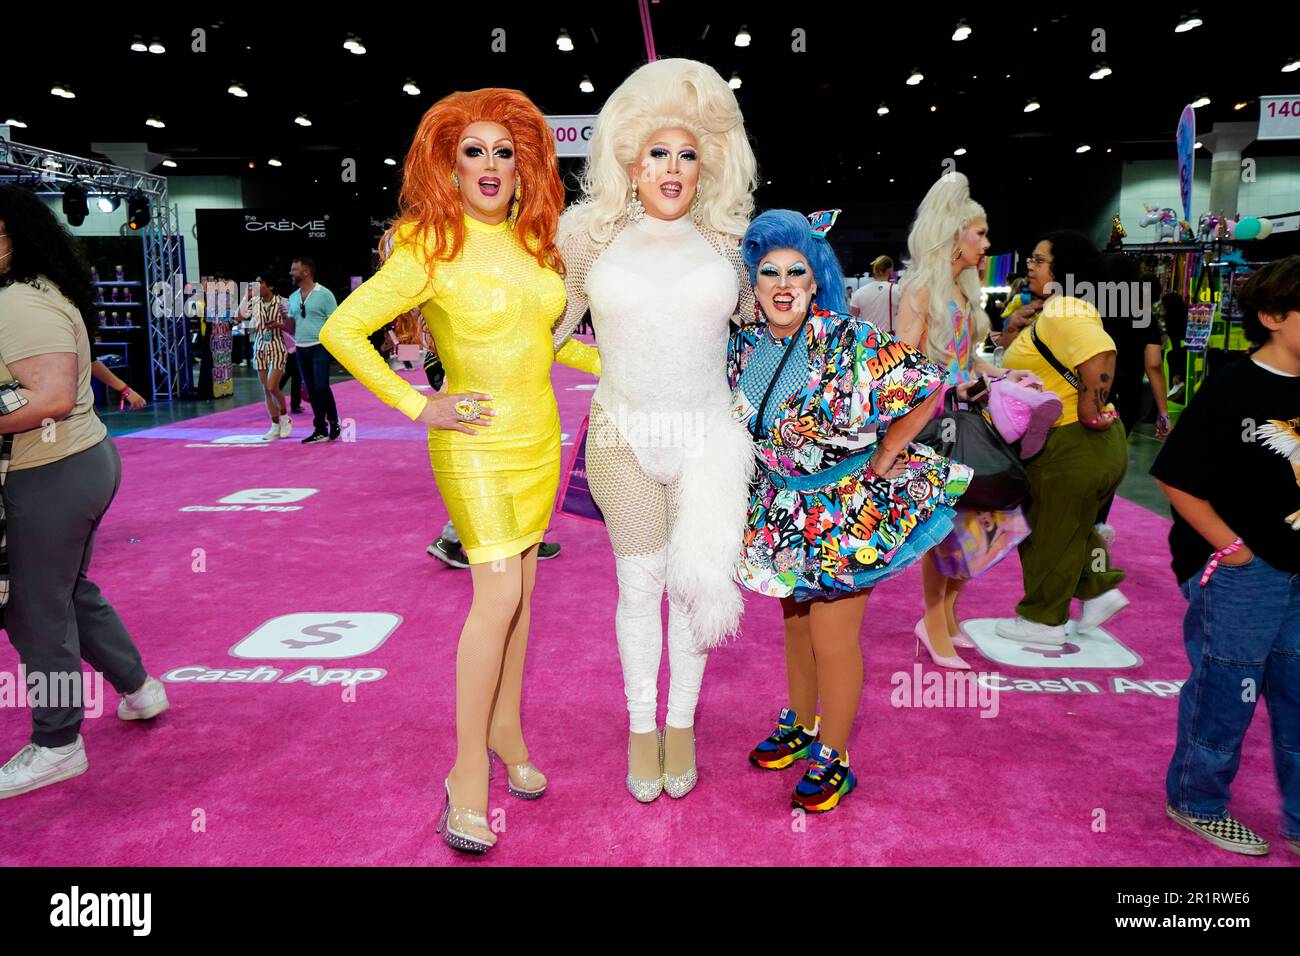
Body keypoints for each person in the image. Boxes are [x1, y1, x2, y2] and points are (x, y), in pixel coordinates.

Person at [319, 88, 598, 854]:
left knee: (524, 596)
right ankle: (465, 773)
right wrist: (419, 407)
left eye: (503, 152)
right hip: (472, 443)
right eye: (472, 151)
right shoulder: (427, 246)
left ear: (525, 166)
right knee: (497, 592)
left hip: (541, 440)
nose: (489, 165)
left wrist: (619, 366)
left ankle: (508, 729)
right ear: (447, 163)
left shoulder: (538, 246)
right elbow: (343, 329)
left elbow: (543, 342)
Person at [550, 58, 758, 803]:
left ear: (709, 166)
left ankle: (682, 724)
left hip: (708, 441)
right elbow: (543, 330)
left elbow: (776, 334)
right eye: (657, 153)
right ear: (629, 161)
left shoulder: (733, 247)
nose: (672, 168)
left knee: (695, 588)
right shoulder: (587, 239)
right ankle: (643, 726)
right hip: (621, 438)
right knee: (639, 587)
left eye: (688, 154)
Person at [731, 209, 971, 812]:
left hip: (843, 511)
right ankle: (802, 723)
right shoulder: (742, 346)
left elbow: (927, 382)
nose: (783, 285)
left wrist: (890, 449)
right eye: (769, 274)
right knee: (794, 626)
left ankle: (835, 755)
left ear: (816, 282)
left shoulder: (848, 339)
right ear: (753, 284)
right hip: (778, 509)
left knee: (833, 638)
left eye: (796, 272)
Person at [0, 185, 169, 800]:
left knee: (34, 609)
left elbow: (46, 397)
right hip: (76, 462)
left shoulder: (18, 300)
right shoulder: (38, 291)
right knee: (67, 590)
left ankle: (58, 743)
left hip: (49, 470)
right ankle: (138, 686)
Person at [1152, 255, 1300, 858]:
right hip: (1245, 571)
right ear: (1272, 317)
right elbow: (1176, 477)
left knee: (1296, 692)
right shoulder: (1233, 385)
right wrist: (1232, 549)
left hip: (1295, 568)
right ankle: (1197, 799)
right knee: (1227, 687)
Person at [896, 173, 1035, 667]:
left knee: (983, 520)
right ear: (954, 233)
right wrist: (947, 386)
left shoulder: (960, 290)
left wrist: (1002, 372)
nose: (987, 243)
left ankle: (949, 618)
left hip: (966, 419)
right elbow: (900, 368)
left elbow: (968, 357)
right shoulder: (919, 292)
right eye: (981, 232)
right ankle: (933, 625)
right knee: (947, 529)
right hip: (933, 425)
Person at [997, 230, 1128, 644]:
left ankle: (1042, 621)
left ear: (1062, 268)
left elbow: (1100, 354)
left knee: (1049, 531)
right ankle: (1098, 591)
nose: (1029, 267)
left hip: (1072, 440)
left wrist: (1091, 408)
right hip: (1082, 444)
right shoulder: (1052, 310)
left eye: (1038, 260)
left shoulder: (1067, 308)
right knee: (1072, 525)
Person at [289, 257, 340, 444]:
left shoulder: (324, 294)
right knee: (311, 389)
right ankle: (320, 428)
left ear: (306, 272)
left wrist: (334, 347)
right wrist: (280, 323)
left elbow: (334, 322)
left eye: (294, 269)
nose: (291, 272)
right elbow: (293, 326)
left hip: (320, 347)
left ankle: (334, 421)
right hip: (301, 348)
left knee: (321, 386)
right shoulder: (294, 297)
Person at [239, 273, 291, 440]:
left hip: (277, 347)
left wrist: (280, 325)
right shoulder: (254, 303)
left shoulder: (283, 302)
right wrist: (246, 296)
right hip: (260, 347)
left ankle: (285, 417)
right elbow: (237, 317)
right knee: (266, 390)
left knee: (271, 386)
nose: (256, 286)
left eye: (260, 283)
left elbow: (292, 327)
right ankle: (275, 425)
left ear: (270, 286)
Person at [849, 255, 900, 333]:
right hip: (889, 338)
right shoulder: (898, 290)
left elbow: (853, 316)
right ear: (889, 270)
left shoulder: (859, 292)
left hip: (867, 339)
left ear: (874, 271)